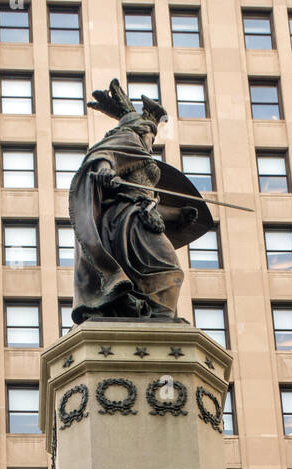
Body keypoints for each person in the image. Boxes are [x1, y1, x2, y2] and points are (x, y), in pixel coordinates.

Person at [69, 79, 210, 322]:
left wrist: (178, 215)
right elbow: (104, 156)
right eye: (150, 136)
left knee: (162, 272)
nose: (150, 143)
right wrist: (105, 171)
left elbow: (146, 198)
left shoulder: (140, 152)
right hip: (126, 221)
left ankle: (157, 318)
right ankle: (161, 320)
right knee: (169, 270)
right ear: (140, 131)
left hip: (143, 218)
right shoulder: (129, 140)